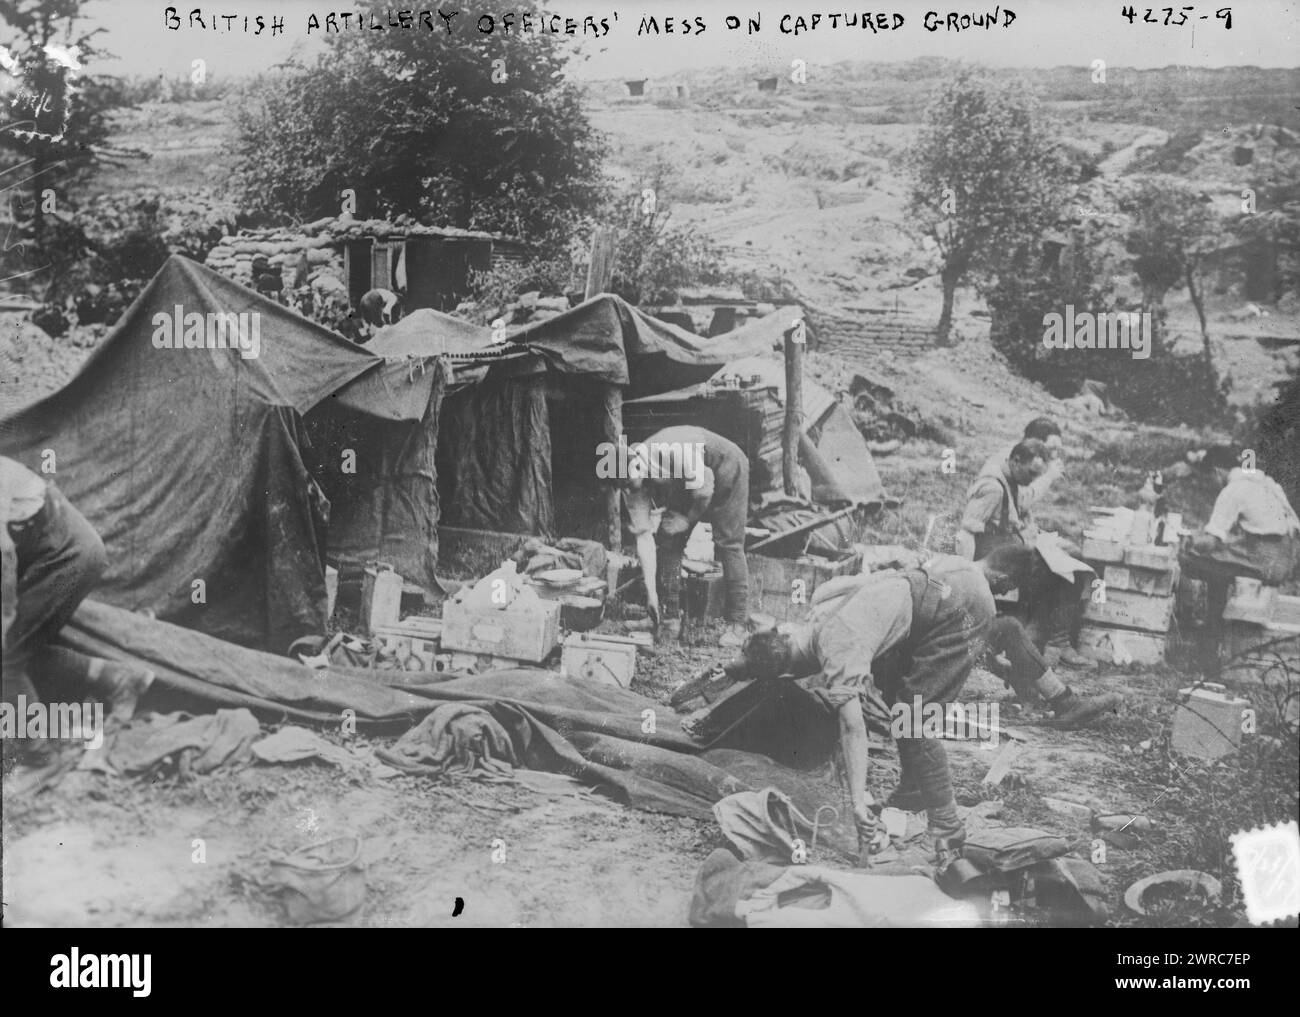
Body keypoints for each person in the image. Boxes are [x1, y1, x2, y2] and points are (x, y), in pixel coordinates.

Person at [726, 554, 994, 869]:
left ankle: (947, 826)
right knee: (900, 700)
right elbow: (868, 581)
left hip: (960, 603)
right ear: (783, 632)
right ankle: (913, 791)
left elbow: (853, 728)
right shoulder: (820, 600)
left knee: (914, 719)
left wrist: (856, 802)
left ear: (787, 674)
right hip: (940, 577)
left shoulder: (837, 649)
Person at [1, 456, 154, 761]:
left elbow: (4, 555)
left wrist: (4, 619)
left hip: (68, 554)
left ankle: (38, 755)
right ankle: (118, 678)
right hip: (51, 547)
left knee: (6, 656)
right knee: (18, 646)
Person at [620, 426, 751, 647]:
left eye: (628, 481)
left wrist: (688, 520)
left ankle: (739, 626)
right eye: (622, 485)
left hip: (726, 465)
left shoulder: (672, 450)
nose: (629, 488)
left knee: (728, 543)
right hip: (689, 481)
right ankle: (667, 618)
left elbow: (703, 490)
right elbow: (643, 537)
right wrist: (651, 594)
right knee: (668, 536)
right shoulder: (629, 480)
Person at [959, 438, 1088, 659]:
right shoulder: (993, 487)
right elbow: (966, 533)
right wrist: (966, 576)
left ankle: (1052, 639)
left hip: (1011, 546)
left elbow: (1021, 502)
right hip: (995, 556)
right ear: (1016, 461)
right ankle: (1050, 641)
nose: (1031, 481)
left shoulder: (1012, 475)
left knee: (1072, 557)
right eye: (1030, 474)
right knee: (1058, 567)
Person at [1181, 446, 1300, 666]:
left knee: (1194, 564)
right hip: (1284, 559)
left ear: (1218, 471)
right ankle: (1212, 637)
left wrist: (1187, 540)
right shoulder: (1267, 484)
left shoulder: (1233, 490)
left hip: (1265, 562)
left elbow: (1212, 542)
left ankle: (1207, 645)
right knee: (1218, 569)